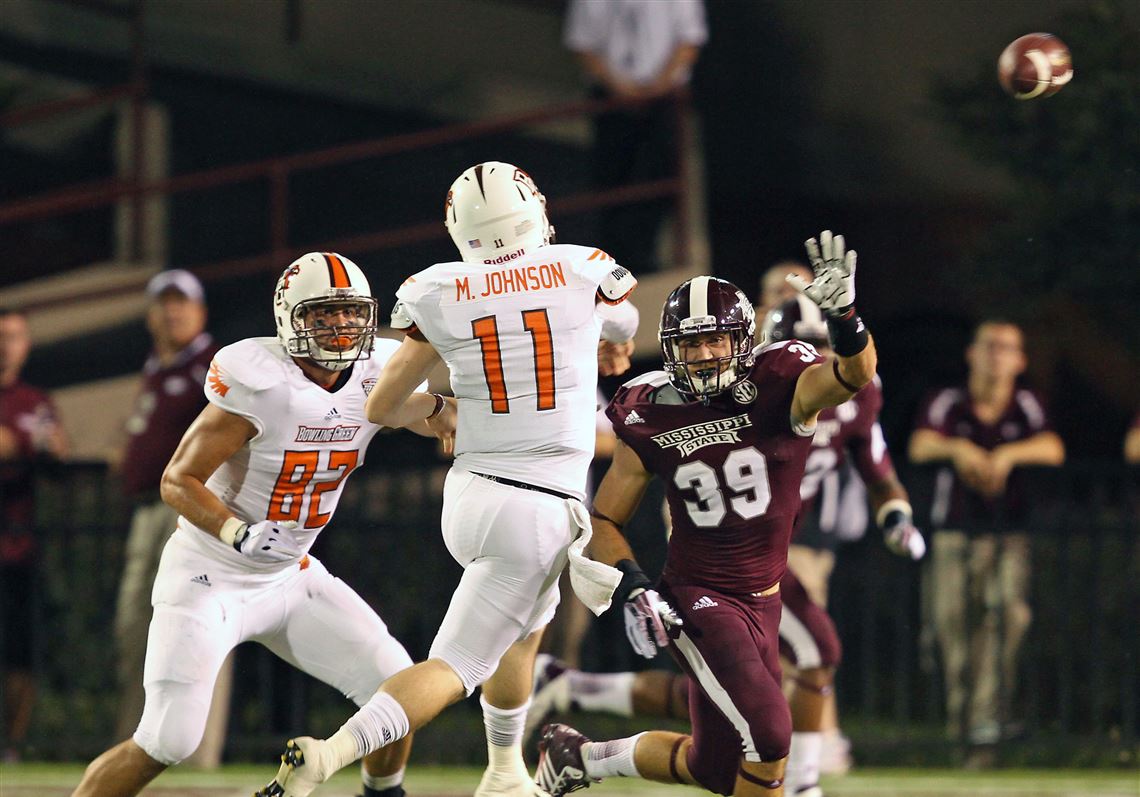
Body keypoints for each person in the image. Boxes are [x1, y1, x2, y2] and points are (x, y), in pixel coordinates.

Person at [255, 162, 638, 797]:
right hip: (538, 505)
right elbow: (623, 327)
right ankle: (330, 755)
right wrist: (612, 346)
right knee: (455, 664)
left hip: (470, 495)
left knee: (521, 633)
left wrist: (439, 411)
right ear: (534, 212)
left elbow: (380, 405)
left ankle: (505, 770)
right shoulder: (582, 268)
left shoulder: (443, 290)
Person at [70, 252, 452, 797]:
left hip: (290, 575)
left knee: (398, 690)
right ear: (291, 319)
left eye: (351, 314)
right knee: (168, 740)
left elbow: (440, 415)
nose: (342, 328)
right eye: (324, 315)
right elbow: (177, 480)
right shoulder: (261, 383)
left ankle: (382, 793)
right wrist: (236, 531)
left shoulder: (375, 376)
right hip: (210, 575)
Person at [528, 294, 923, 796]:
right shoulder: (648, 410)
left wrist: (846, 315)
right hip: (698, 595)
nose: (705, 354)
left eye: (716, 339)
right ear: (672, 350)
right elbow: (604, 518)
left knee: (712, 768)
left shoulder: (782, 384)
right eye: (691, 343)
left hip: (767, 595)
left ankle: (577, 757)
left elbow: (854, 374)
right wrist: (633, 585)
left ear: (743, 341)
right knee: (769, 732)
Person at [909, 319, 1065, 767]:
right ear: (971, 353)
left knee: (1008, 618)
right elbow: (920, 444)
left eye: (1006, 347)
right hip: (952, 534)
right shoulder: (948, 400)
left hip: (1008, 535)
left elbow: (1053, 447)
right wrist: (960, 451)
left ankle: (983, 731)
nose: (996, 354)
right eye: (989, 345)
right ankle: (961, 727)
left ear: (1020, 360)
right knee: (949, 625)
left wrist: (1007, 456)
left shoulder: (1026, 403)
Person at [112, 270, 229, 766]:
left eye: (182, 303)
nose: (172, 312)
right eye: (164, 303)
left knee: (200, 628)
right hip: (149, 511)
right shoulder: (159, 367)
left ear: (200, 312)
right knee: (137, 629)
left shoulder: (213, 366)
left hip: (189, 513)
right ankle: (139, 746)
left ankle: (196, 755)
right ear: (149, 314)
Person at [564, 0, 707, 272]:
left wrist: (657, 86)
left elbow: (690, 40)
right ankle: (611, 261)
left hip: (666, 101)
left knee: (661, 177)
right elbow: (582, 43)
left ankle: (646, 255)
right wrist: (620, 89)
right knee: (612, 179)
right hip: (610, 101)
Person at [0, 308, 68, 762]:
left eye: (16, 336)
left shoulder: (35, 400)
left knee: (20, 655)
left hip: (17, 547)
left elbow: (59, 456)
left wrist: (22, 444)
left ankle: (12, 746)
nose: (7, 344)